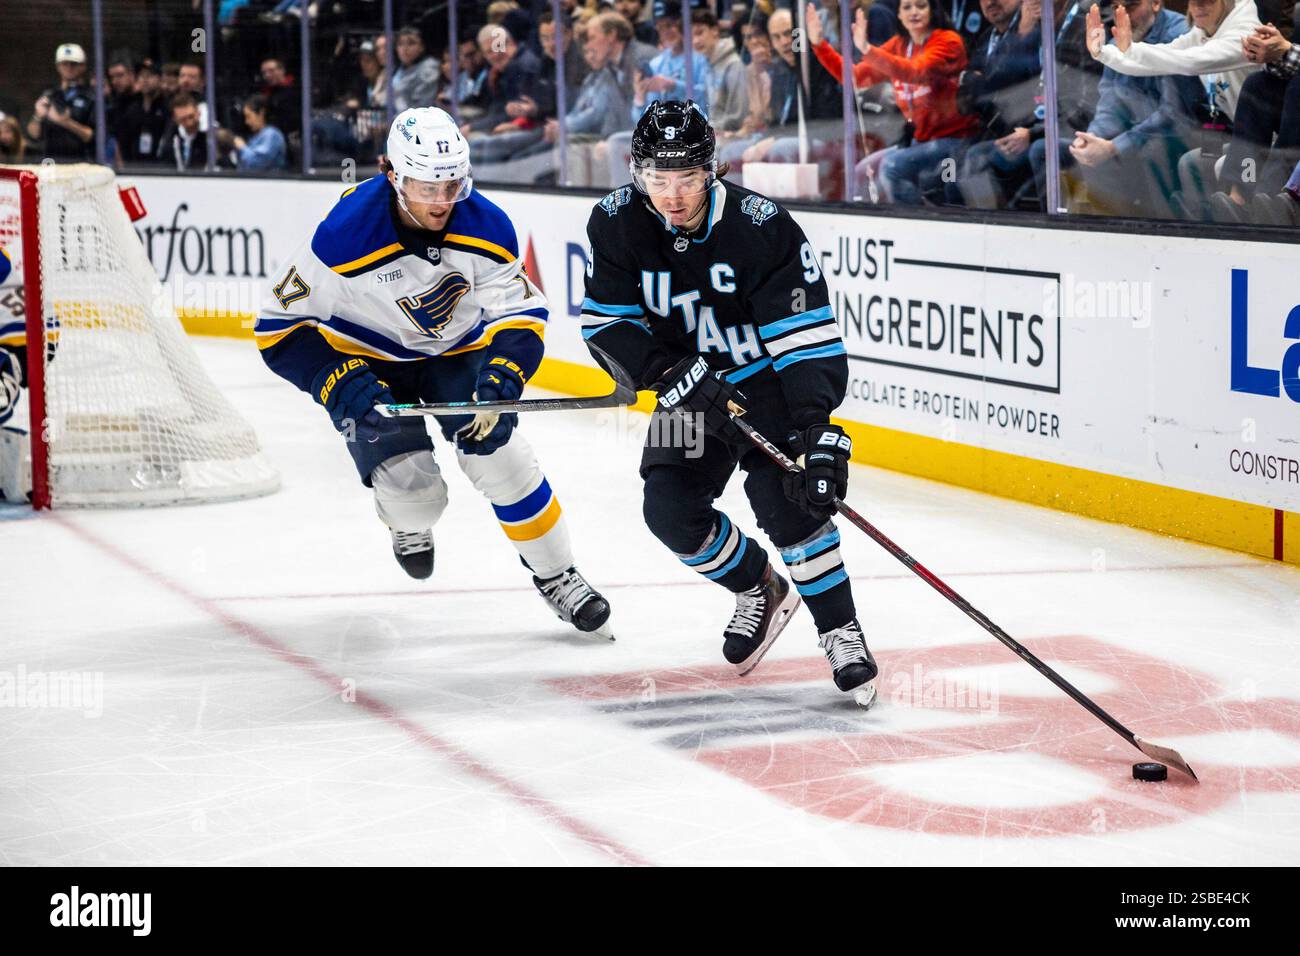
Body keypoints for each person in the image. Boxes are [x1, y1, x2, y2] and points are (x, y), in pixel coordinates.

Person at [254, 107, 611, 636]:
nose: (442, 202)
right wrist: (337, 382)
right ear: (391, 173)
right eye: (426, 186)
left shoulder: (486, 224)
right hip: (368, 361)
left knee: (504, 461)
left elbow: (520, 313)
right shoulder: (343, 236)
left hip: (455, 354)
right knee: (417, 497)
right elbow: (277, 328)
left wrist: (506, 373)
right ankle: (407, 523)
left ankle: (557, 574)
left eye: (452, 185)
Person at [581, 100, 877, 700]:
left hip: (764, 385)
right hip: (685, 391)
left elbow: (805, 338)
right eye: (658, 179)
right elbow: (605, 324)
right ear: (637, 172)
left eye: (686, 178)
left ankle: (841, 629)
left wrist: (814, 428)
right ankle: (757, 586)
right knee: (668, 511)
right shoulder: (614, 222)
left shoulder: (761, 226)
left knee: (791, 505)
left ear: (711, 170)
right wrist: (665, 370)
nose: (672, 195)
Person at [810, 1, 978, 204]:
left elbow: (917, 72)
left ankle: (917, 226)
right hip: (919, 141)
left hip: (955, 141)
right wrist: (820, 45)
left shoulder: (949, 42)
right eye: (907, 7)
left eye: (921, 6)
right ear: (898, 14)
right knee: (863, 171)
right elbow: (856, 78)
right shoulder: (900, 45)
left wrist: (867, 49)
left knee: (892, 167)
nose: (914, 12)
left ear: (932, 10)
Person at [25, 43, 96, 162]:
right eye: (64, 64)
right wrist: (38, 116)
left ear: (83, 66)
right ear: (58, 66)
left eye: (74, 64)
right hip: (51, 162)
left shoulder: (92, 96)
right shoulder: (49, 94)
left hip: (81, 163)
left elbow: (93, 137)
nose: (69, 68)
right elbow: (33, 135)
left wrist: (66, 122)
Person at [233, 94, 287, 169]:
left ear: (261, 113)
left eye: (249, 116)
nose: (246, 122)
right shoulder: (255, 137)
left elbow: (256, 163)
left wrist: (242, 147)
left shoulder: (272, 135)